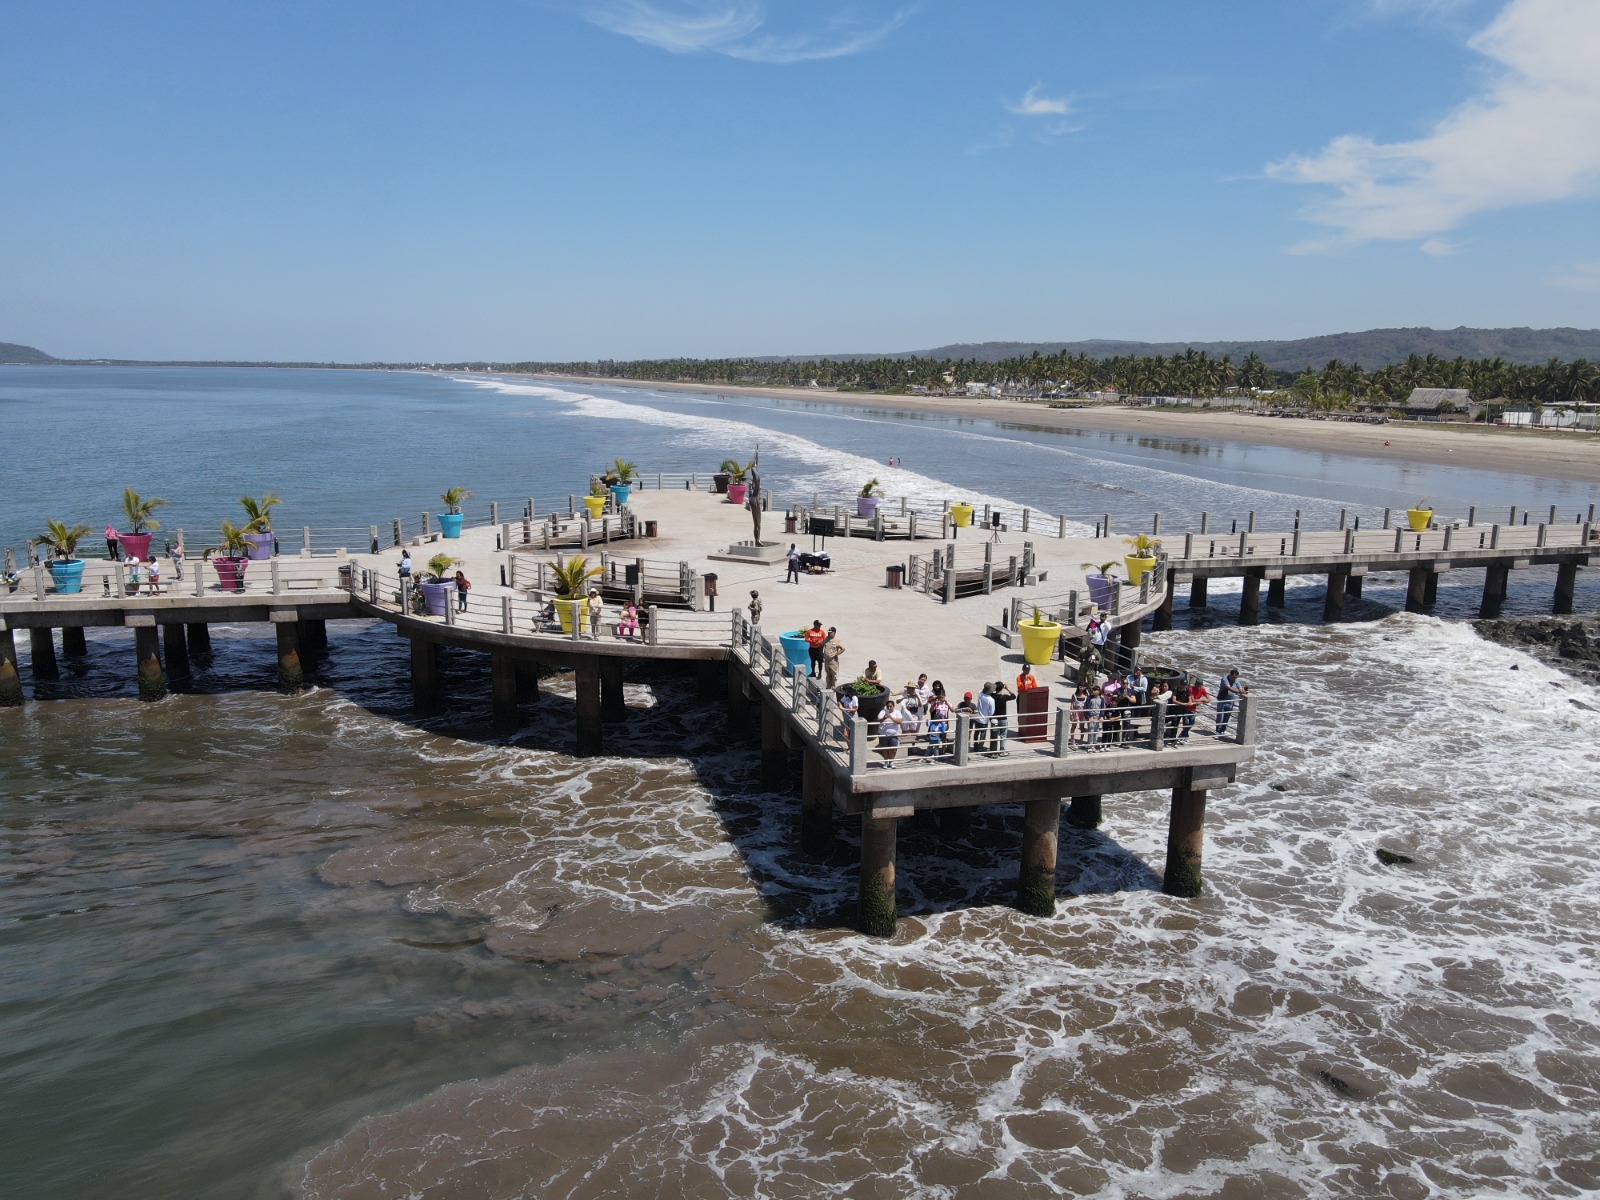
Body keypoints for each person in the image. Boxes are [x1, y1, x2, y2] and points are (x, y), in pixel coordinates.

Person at [1215, 669, 1248, 736]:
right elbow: (1229, 688)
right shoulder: (1225, 679)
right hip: (1222, 700)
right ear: (1230, 675)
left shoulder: (1236, 681)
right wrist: (1239, 692)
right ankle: (1218, 731)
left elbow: (1240, 689)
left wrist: (1244, 691)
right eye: (1234, 677)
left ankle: (1222, 731)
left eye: (1236, 677)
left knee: (1226, 718)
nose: (1235, 679)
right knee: (1220, 717)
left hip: (1230, 702)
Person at [897, 684, 924, 756]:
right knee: (905, 730)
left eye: (913, 688)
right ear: (907, 688)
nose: (911, 689)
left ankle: (913, 747)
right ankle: (903, 747)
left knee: (913, 731)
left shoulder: (916, 694)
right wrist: (904, 698)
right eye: (910, 688)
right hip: (905, 714)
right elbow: (897, 701)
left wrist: (917, 697)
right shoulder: (904, 693)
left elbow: (920, 705)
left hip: (914, 714)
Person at [991, 679, 1017, 752]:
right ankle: (1002, 750)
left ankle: (993, 750)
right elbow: (1014, 696)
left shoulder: (992, 696)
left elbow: (988, 692)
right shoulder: (1004, 697)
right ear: (1002, 688)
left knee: (994, 735)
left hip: (994, 718)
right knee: (1003, 735)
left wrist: (994, 687)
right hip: (1003, 718)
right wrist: (1007, 688)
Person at [876, 703, 903, 768]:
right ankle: (886, 762)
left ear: (893, 706)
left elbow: (899, 721)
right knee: (885, 749)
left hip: (894, 735)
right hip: (884, 735)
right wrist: (884, 718)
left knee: (893, 749)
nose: (889, 708)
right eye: (888, 706)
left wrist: (890, 717)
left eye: (890, 706)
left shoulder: (897, 712)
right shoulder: (883, 712)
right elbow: (879, 720)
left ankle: (891, 762)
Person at [976, 683, 997, 754]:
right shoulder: (991, 700)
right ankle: (980, 747)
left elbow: (981, 691)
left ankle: (975, 746)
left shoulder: (980, 693)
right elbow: (992, 712)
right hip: (984, 720)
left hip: (977, 717)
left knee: (976, 733)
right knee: (983, 734)